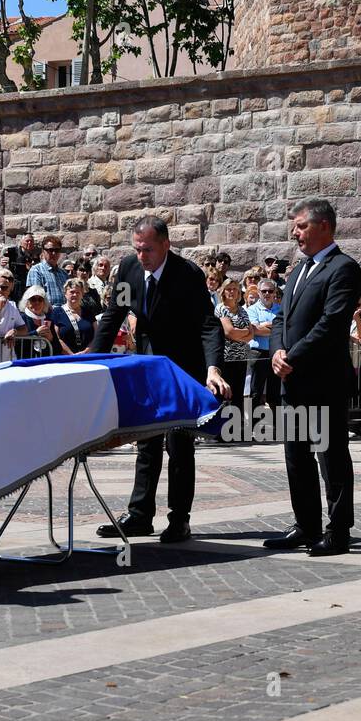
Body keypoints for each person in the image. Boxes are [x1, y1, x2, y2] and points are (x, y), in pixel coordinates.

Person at [89, 215, 228, 544]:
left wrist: (213, 369)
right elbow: (114, 315)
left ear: (166, 245)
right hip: (149, 367)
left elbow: (208, 325)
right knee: (146, 443)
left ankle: (179, 519)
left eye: (148, 249)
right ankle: (139, 515)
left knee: (180, 446)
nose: (142, 256)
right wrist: (94, 354)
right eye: (137, 249)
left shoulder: (188, 275)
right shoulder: (128, 269)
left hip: (183, 368)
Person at [263, 198, 361, 557]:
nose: (295, 233)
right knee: (296, 456)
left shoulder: (343, 268)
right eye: (295, 227)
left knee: (330, 457)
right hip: (292, 381)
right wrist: (276, 350)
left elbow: (332, 323)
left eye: (301, 226)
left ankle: (338, 530)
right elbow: (280, 319)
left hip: (323, 382)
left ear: (324, 227)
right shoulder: (299, 271)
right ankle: (306, 524)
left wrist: (293, 355)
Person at [215, 278, 254, 433]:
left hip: (241, 357)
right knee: (225, 393)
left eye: (235, 289)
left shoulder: (242, 310)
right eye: (229, 289)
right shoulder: (220, 308)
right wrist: (243, 333)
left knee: (238, 394)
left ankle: (236, 429)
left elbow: (251, 335)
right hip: (226, 358)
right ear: (223, 291)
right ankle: (222, 430)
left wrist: (241, 334)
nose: (232, 292)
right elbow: (229, 332)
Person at [247, 276, 281, 411]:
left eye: (270, 291)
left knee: (275, 390)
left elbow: (286, 328)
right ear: (259, 292)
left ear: (274, 292)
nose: (267, 294)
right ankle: (251, 424)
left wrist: (265, 326)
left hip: (276, 353)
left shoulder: (281, 309)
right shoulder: (251, 310)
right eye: (264, 291)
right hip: (258, 353)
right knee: (256, 390)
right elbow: (255, 330)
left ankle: (277, 424)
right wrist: (276, 327)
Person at [26, 234, 68, 307]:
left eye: (57, 250)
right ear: (43, 251)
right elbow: (36, 299)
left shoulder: (64, 273)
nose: (54, 253)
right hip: (47, 314)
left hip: (65, 314)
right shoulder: (36, 271)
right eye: (50, 250)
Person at [54, 278, 94, 353]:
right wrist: (71, 355)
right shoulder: (57, 312)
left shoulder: (89, 312)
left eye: (78, 292)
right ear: (65, 294)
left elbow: (96, 335)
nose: (75, 295)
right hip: (65, 358)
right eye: (72, 292)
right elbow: (56, 338)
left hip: (87, 357)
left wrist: (85, 352)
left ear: (82, 294)